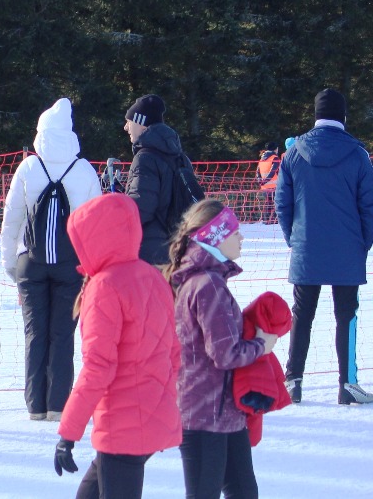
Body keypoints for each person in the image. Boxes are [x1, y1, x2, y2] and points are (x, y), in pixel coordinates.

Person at [53, 193, 181, 499]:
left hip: (123, 426)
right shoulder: (153, 277)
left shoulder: (104, 287)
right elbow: (175, 353)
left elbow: (98, 367)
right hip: (149, 417)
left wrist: (68, 433)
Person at [0, 98, 102, 421]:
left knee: (35, 333)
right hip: (71, 264)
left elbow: (11, 219)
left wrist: (11, 266)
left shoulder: (29, 167)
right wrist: (93, 269)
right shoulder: (84, 170)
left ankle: (35, 406)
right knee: (62, 335)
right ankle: (59, 405)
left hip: (31, 261)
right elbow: (97, 223)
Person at [167, 200, 276, 499]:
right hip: (204, 416)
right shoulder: (207, 285)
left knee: (244, 491)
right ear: (215, 237)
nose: (242, 238)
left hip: (225, 413)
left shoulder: (207, 281)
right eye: (235, 232)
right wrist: (262, 345)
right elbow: (225, 354)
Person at [274, 88, 373, 405]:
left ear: (316, 116)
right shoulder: (357, 154)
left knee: (302, 315)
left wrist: (295, 239)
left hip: (307, 247)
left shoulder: (294, 153)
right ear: (343, 116)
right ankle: (347, 384)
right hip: (347, 248)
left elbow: (283, 204)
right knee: (347, 315)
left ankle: (293, 381)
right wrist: (362, 244)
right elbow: (369, 207)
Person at [123, 93, 202, 265]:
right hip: (179, 245)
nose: (126, 127)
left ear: (142, 124)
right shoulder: (180, 157)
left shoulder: (145, 158)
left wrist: (119, 226)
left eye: (129, 122)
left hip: (150, 252)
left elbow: (141, 206)